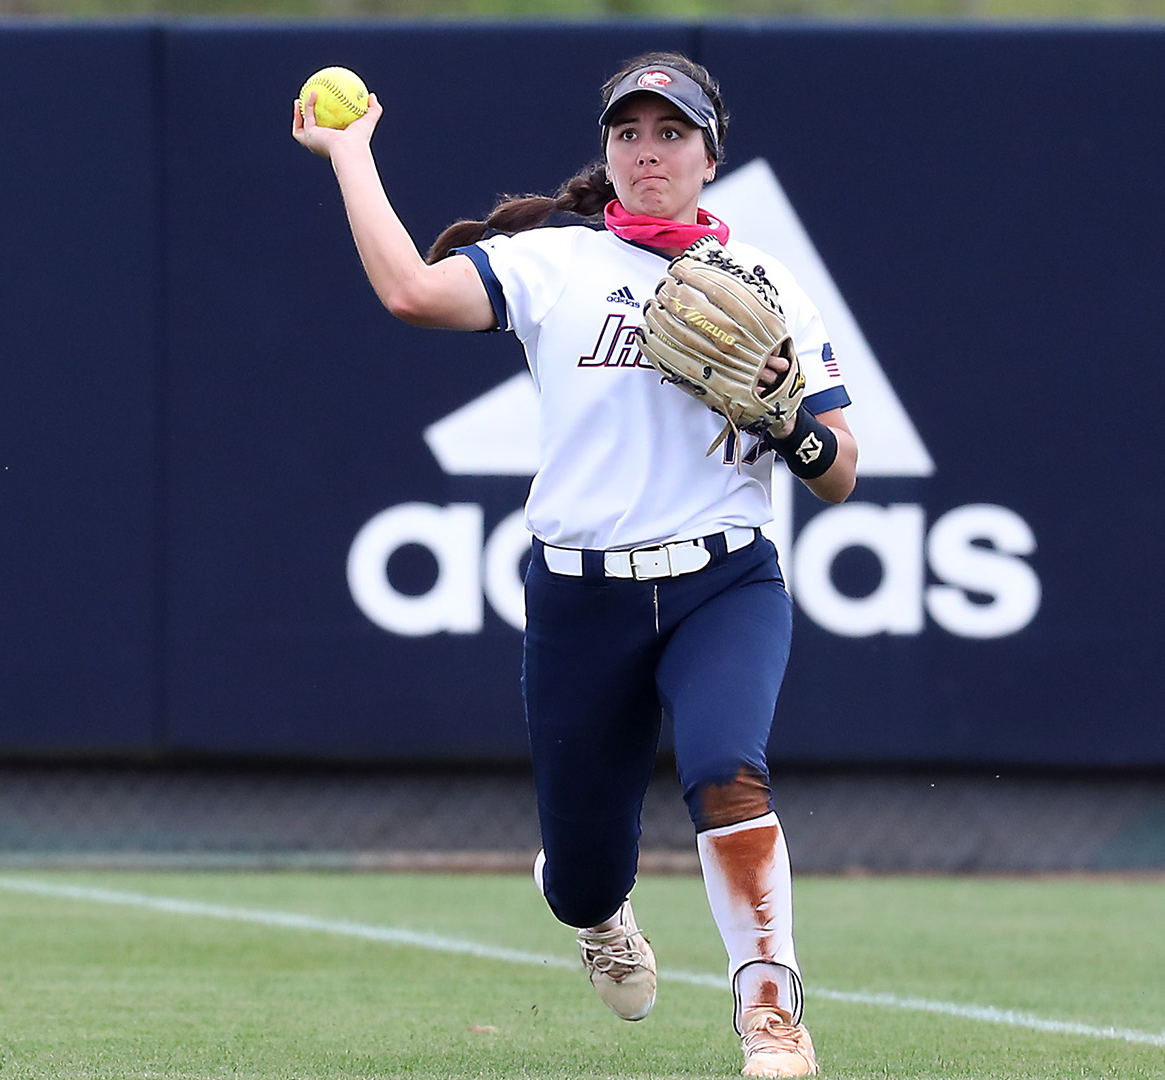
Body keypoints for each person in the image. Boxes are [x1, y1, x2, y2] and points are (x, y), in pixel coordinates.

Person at [293, 52, 857, 1078]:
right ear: (607, 151)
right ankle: (598, 912)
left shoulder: (769, 285)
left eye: (671, 134)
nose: (649, 153)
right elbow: (413, 294)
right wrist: (350, 152)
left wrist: (787, 422)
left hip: (723, 581)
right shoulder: (555, 262)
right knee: (584, 876)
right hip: (581, 598)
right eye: (630, 133)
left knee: (729, 774)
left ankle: (771, 1013)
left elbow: (838, 470)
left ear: (709, 156)